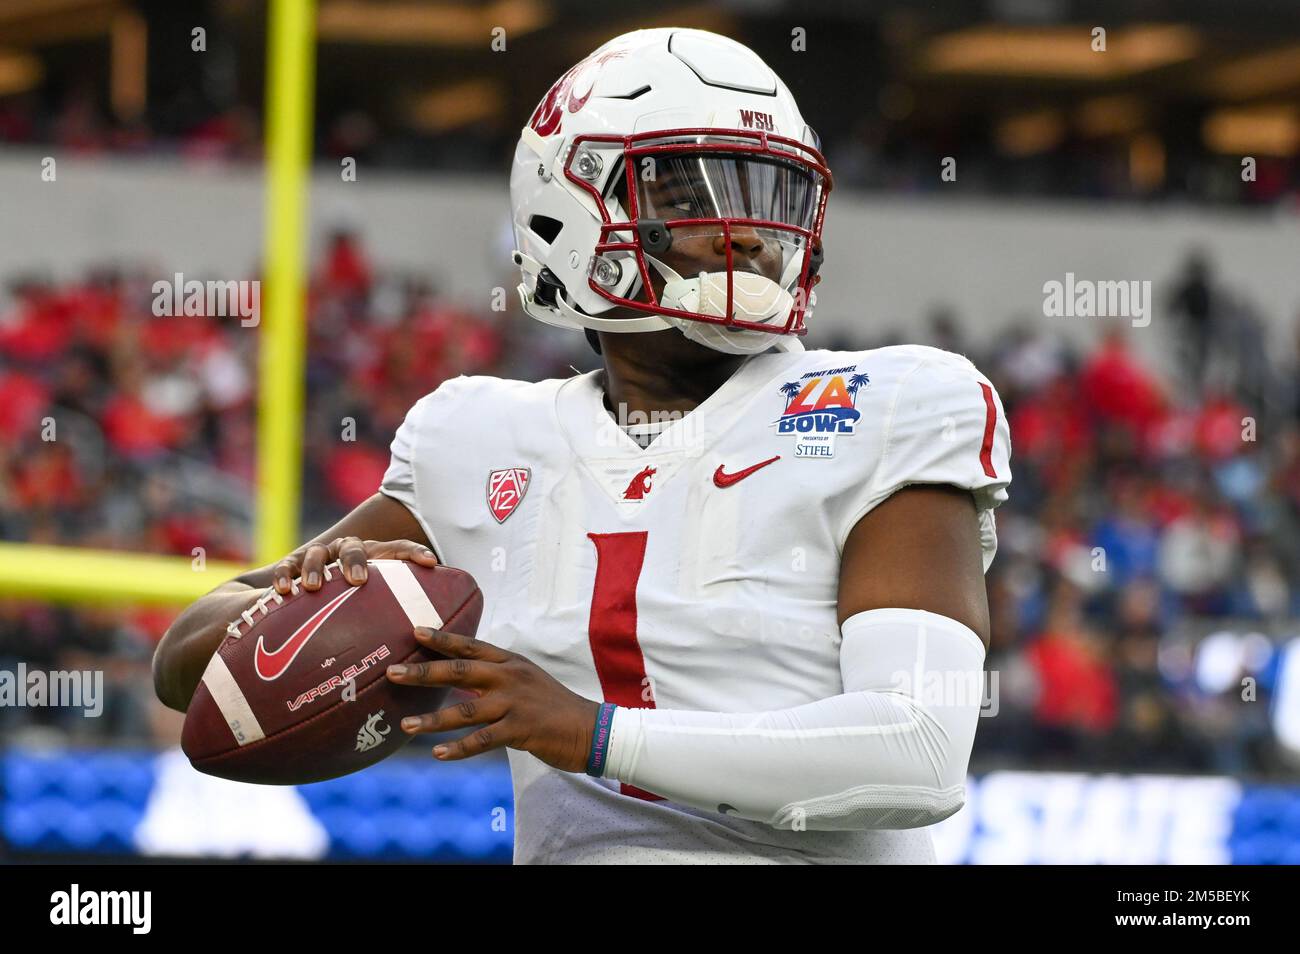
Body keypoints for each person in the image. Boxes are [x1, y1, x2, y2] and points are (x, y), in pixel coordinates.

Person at [153, 28, 1012, 864]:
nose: (747, 231)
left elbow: (917, 748)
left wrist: (588, 732)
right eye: (690, 193)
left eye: (767, 195)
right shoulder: (476, 438)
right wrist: (321, 599)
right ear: (568, 211)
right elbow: (188, 665)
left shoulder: (888, 405)